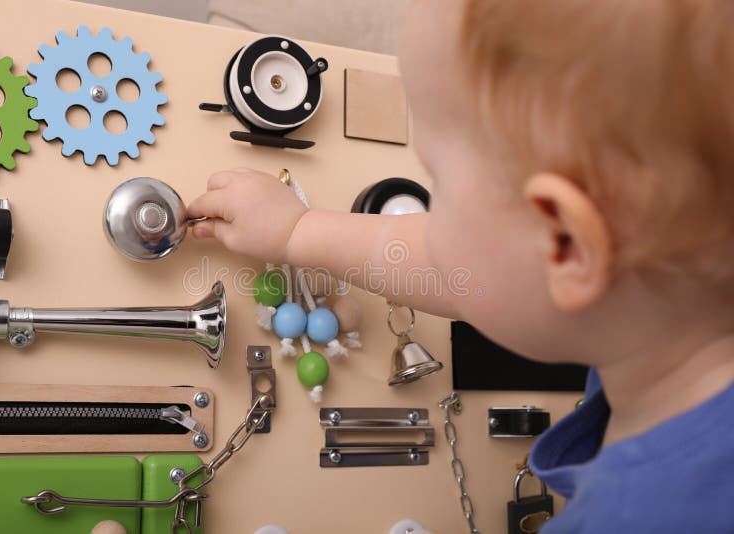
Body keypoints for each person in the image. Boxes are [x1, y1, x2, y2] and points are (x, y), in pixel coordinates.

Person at [188, 1, 734, 531]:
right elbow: (475, 270)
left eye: (440, 183)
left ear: (565, 244)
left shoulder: (638, 519)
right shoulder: (668, 315)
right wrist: (297, 231)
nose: (430, 217)